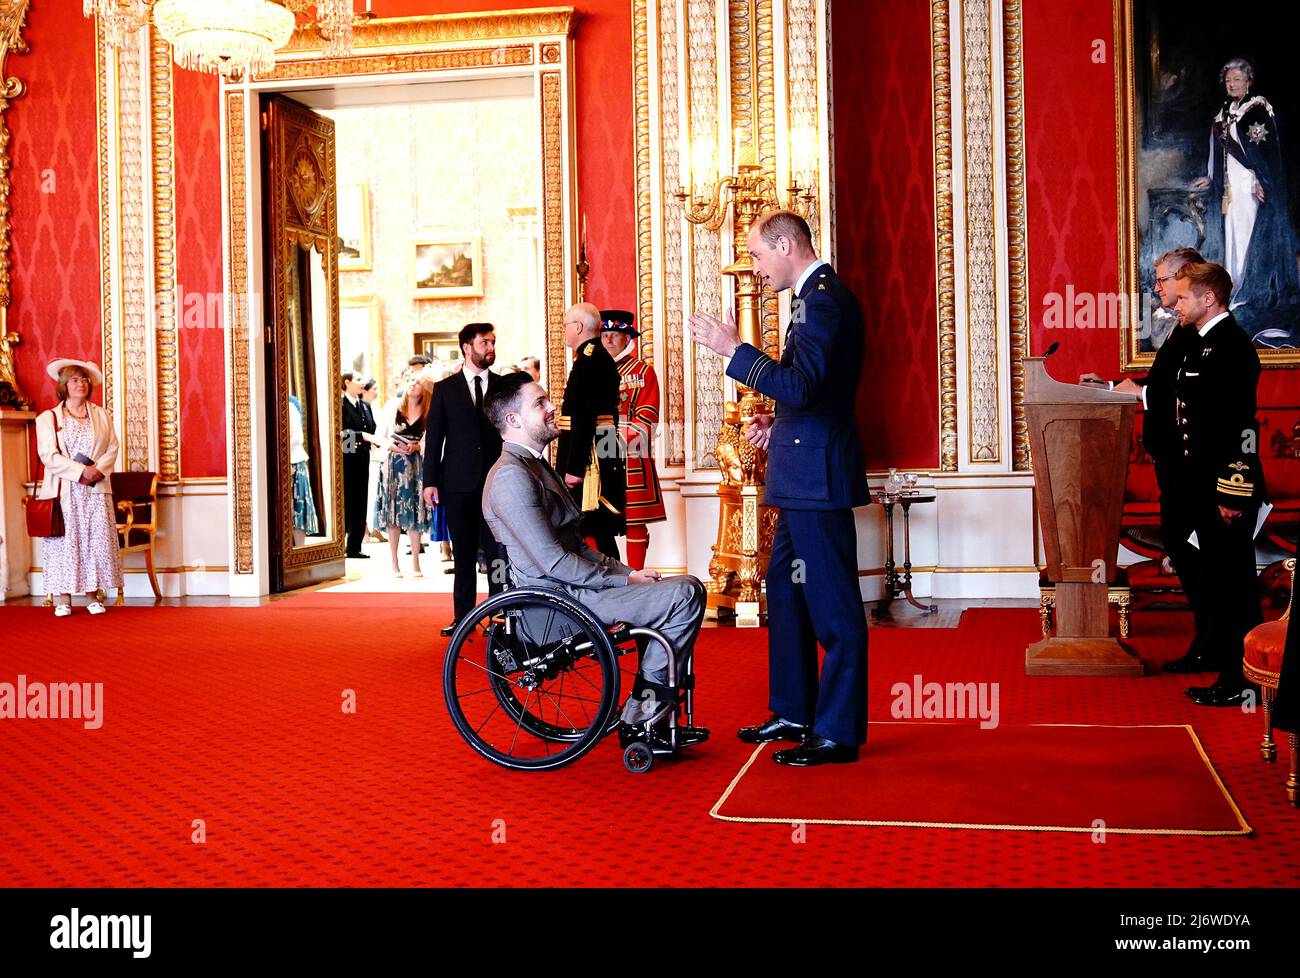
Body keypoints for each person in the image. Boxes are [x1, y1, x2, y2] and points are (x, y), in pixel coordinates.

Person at [689, 210, 869, 766]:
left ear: (786, 245)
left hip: (816, 478)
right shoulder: (811, 298)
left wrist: (733, 350)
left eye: (758, 255)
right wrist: (779, 420)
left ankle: (837, 732)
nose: (756, 267)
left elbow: (804, 385)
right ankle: (795, 710)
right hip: (800, 472)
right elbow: (807, 392)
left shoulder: (823, 301)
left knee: (833, 607)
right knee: (786, 591)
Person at [481, 372, 708, 747]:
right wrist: (619, 580)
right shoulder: (510, 477)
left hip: (572, 593)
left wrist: (630, 574)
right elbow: (554, 563)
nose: (552, 406)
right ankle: (641, 718)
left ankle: (652, 713)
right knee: (684, 594)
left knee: (683, 588)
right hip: (555, 606)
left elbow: (579, 548)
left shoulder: (534, 466)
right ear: (513, 420)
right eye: (540, 403)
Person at [1081, 247, 1214, 672]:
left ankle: (1212, 645)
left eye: (1161, 280)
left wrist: (1139, 393)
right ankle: (1207, 642)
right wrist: (1112, 386)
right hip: (1172, 460)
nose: (1156, 287)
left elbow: (1190, 393)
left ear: (1185, 278)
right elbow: (1163, 382)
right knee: (1184, 549)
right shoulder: (1181, 327)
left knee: (1193, 554)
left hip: (1189, 461)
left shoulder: (1198, 330)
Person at [1164, 261, 1266, 707]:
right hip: (1204, 485)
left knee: (1235, 588)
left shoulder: (1231, 347)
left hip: (1225, 488)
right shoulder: (1201, 345)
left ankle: (1244, 682)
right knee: (1221, 584)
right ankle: (1230, 674)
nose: (1177, 304)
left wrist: (1232, 490)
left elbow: (1241, 428)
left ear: (1209, 298)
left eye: (1184, 297)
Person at [1189, 57, 1299, 344]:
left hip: (1251, 185)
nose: (1232, 84)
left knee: (1249, 235)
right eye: (1228, 80)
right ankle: (1234, 289)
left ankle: (1251, 291)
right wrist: (1210, 176)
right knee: (1233, 236)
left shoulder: (1257, 109)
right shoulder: (1224, 112)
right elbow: (1218, 149)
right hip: (1230, 187)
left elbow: (1267, 154)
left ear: (1248, 81)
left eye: (1237, 79)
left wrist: (1263, 180)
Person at [422, 323, 506, 636]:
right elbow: (435, 439)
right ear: (467, 347)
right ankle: (464, 618)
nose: (491, 348)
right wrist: (429, 481)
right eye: (485, 342)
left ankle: (500, 617)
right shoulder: (445, 389)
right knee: (464, 553)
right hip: (457, 484)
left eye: (493, 342)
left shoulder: (503, 386)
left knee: (497, 554)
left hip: (497, 484)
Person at [35, 359, 122, 616]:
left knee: (95, 541)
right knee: (65, 542)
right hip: (64, 490)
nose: (80, 384)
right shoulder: (48, 418)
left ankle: (93, 596)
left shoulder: (102, 415)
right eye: (74, 379)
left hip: (95, 489)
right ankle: (63, 599)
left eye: (84, 379)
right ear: (63, 385)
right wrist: (80, 471)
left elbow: (112, 447)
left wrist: (97, 471)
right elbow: (48, 455)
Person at [556, 303, 626, 559]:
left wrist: (574, 468)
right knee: (598, 529)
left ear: (578, 327)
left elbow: (583, 418)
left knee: (591, 527)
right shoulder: (596, 357)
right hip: (599, 447)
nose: (564, 331)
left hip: (589, 458)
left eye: (566, 325)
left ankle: (611, 581)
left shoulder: (588, 361)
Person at [600, 309, 666, 570]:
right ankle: (608, 578)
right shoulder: (592, 371)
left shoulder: (643, 372)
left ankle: (637, 576)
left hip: (631, 455)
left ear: (627, 338)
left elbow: (647, 415)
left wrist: (614, 439)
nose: (608, 340)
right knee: (594, 518)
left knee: (634, 520)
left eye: (614, 335)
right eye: (604, 335)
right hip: (597, 455)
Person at [374, 376, 442, 577]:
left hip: (416, 465)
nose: (413, 384)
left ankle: (416, 562)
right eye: (410, 380)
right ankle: (394, 562)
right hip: (393, 465)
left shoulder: (428, 410)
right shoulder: (393, 406)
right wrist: (393, 446)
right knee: (393, 513)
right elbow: (379, 436)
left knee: (415, 511)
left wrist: (417, 446)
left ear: (424, 388)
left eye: (418, 382)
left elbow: (433, 439)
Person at [341, 371, 376, 558]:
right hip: (347, 458)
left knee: (361, 500)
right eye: (358, 380)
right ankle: (341, 543)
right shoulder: (340, 405)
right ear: (347, 382)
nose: (362, 383)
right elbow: (342, 433)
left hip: (363, 458)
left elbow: (371, 428)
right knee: (348, 500)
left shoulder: (365, 406)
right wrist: (361, 437)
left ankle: (354, 547)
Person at [288, 394, 318, 548]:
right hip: (277, 463)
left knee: (298, 509)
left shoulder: (290, 407)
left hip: (294, 461)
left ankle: (299, 549)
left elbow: (298, 438)